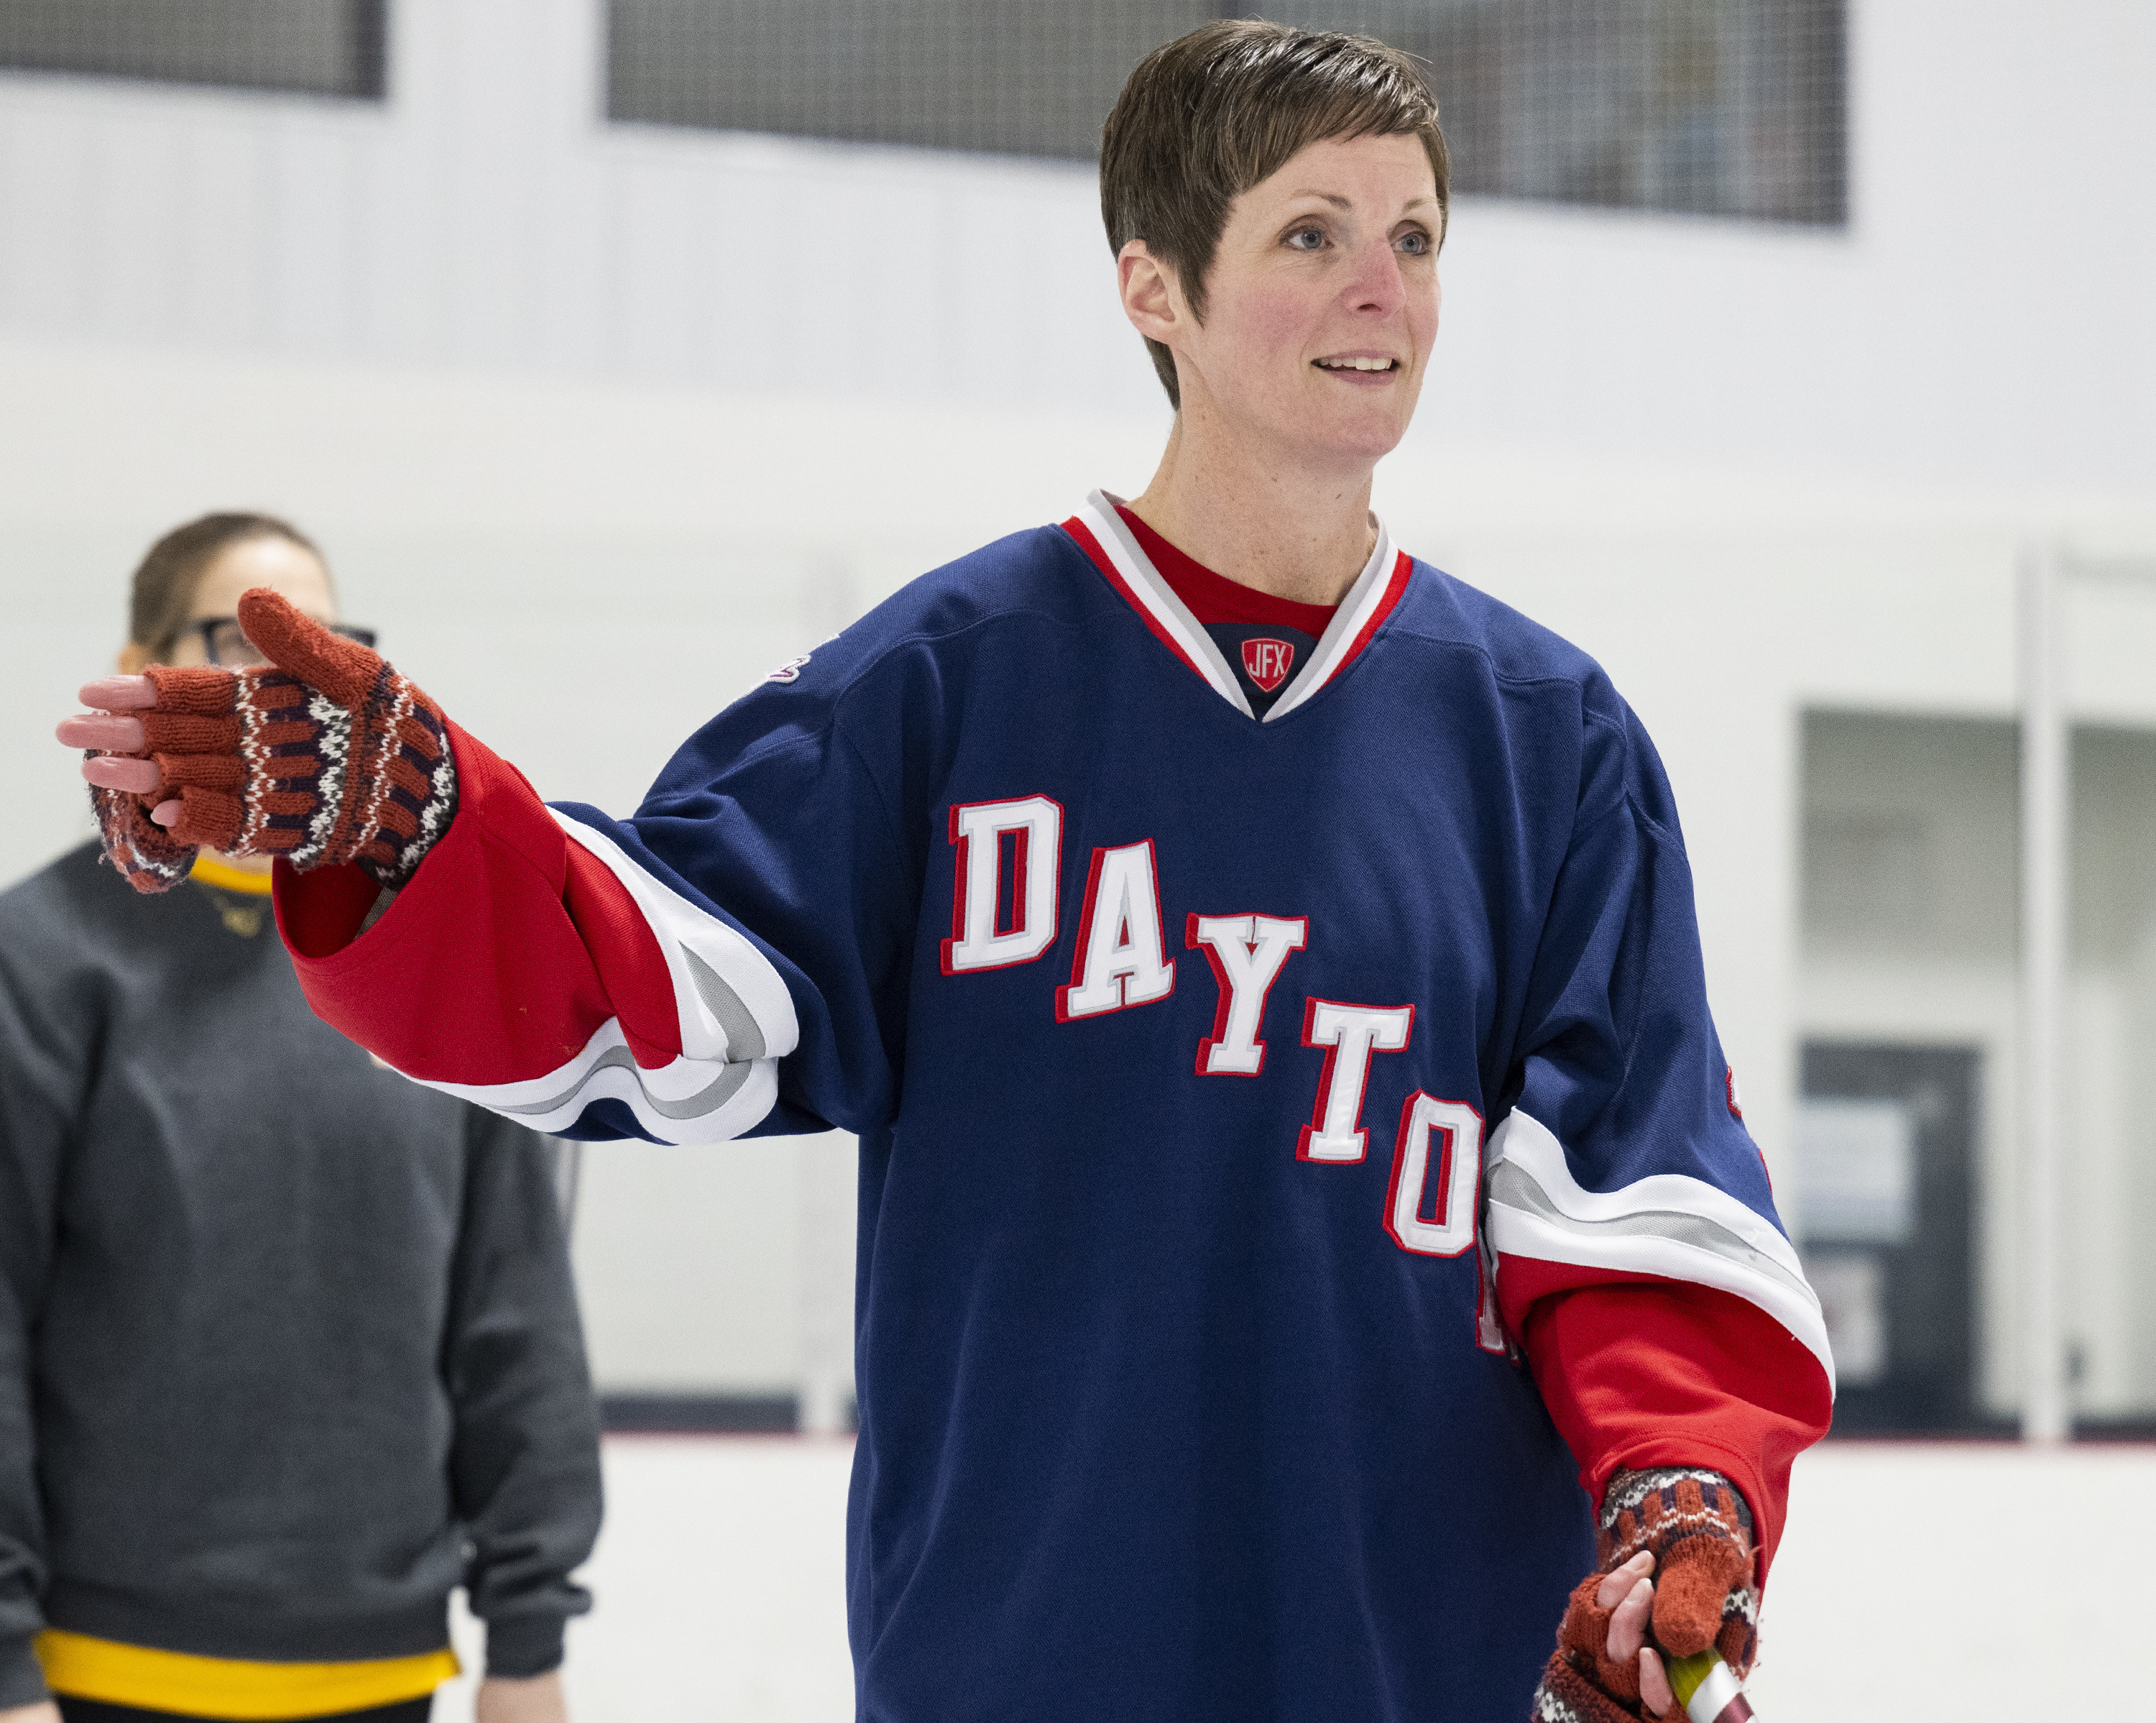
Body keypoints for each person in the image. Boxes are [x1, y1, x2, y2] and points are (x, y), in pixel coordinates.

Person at [58, 25, 1831, 1722]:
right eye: (1313, 232)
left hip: (1418, 1665)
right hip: (1018, 1664)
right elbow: (653, 978)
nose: (1385, 288)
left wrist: (1681, 1499)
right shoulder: (948, 679)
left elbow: (1632, 1188)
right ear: (1156, 287)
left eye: (1417, 238)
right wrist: (420, 832)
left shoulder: (1547, 737)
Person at [10, 515, 602, 1723]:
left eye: (326, 645)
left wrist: (529, 1636)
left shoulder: (439, 947)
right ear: (143, 661)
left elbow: (515, 1311)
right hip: (99, 1672)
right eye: (241, 636)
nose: (287, 679)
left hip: (384, 1664)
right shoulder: (43, 958)